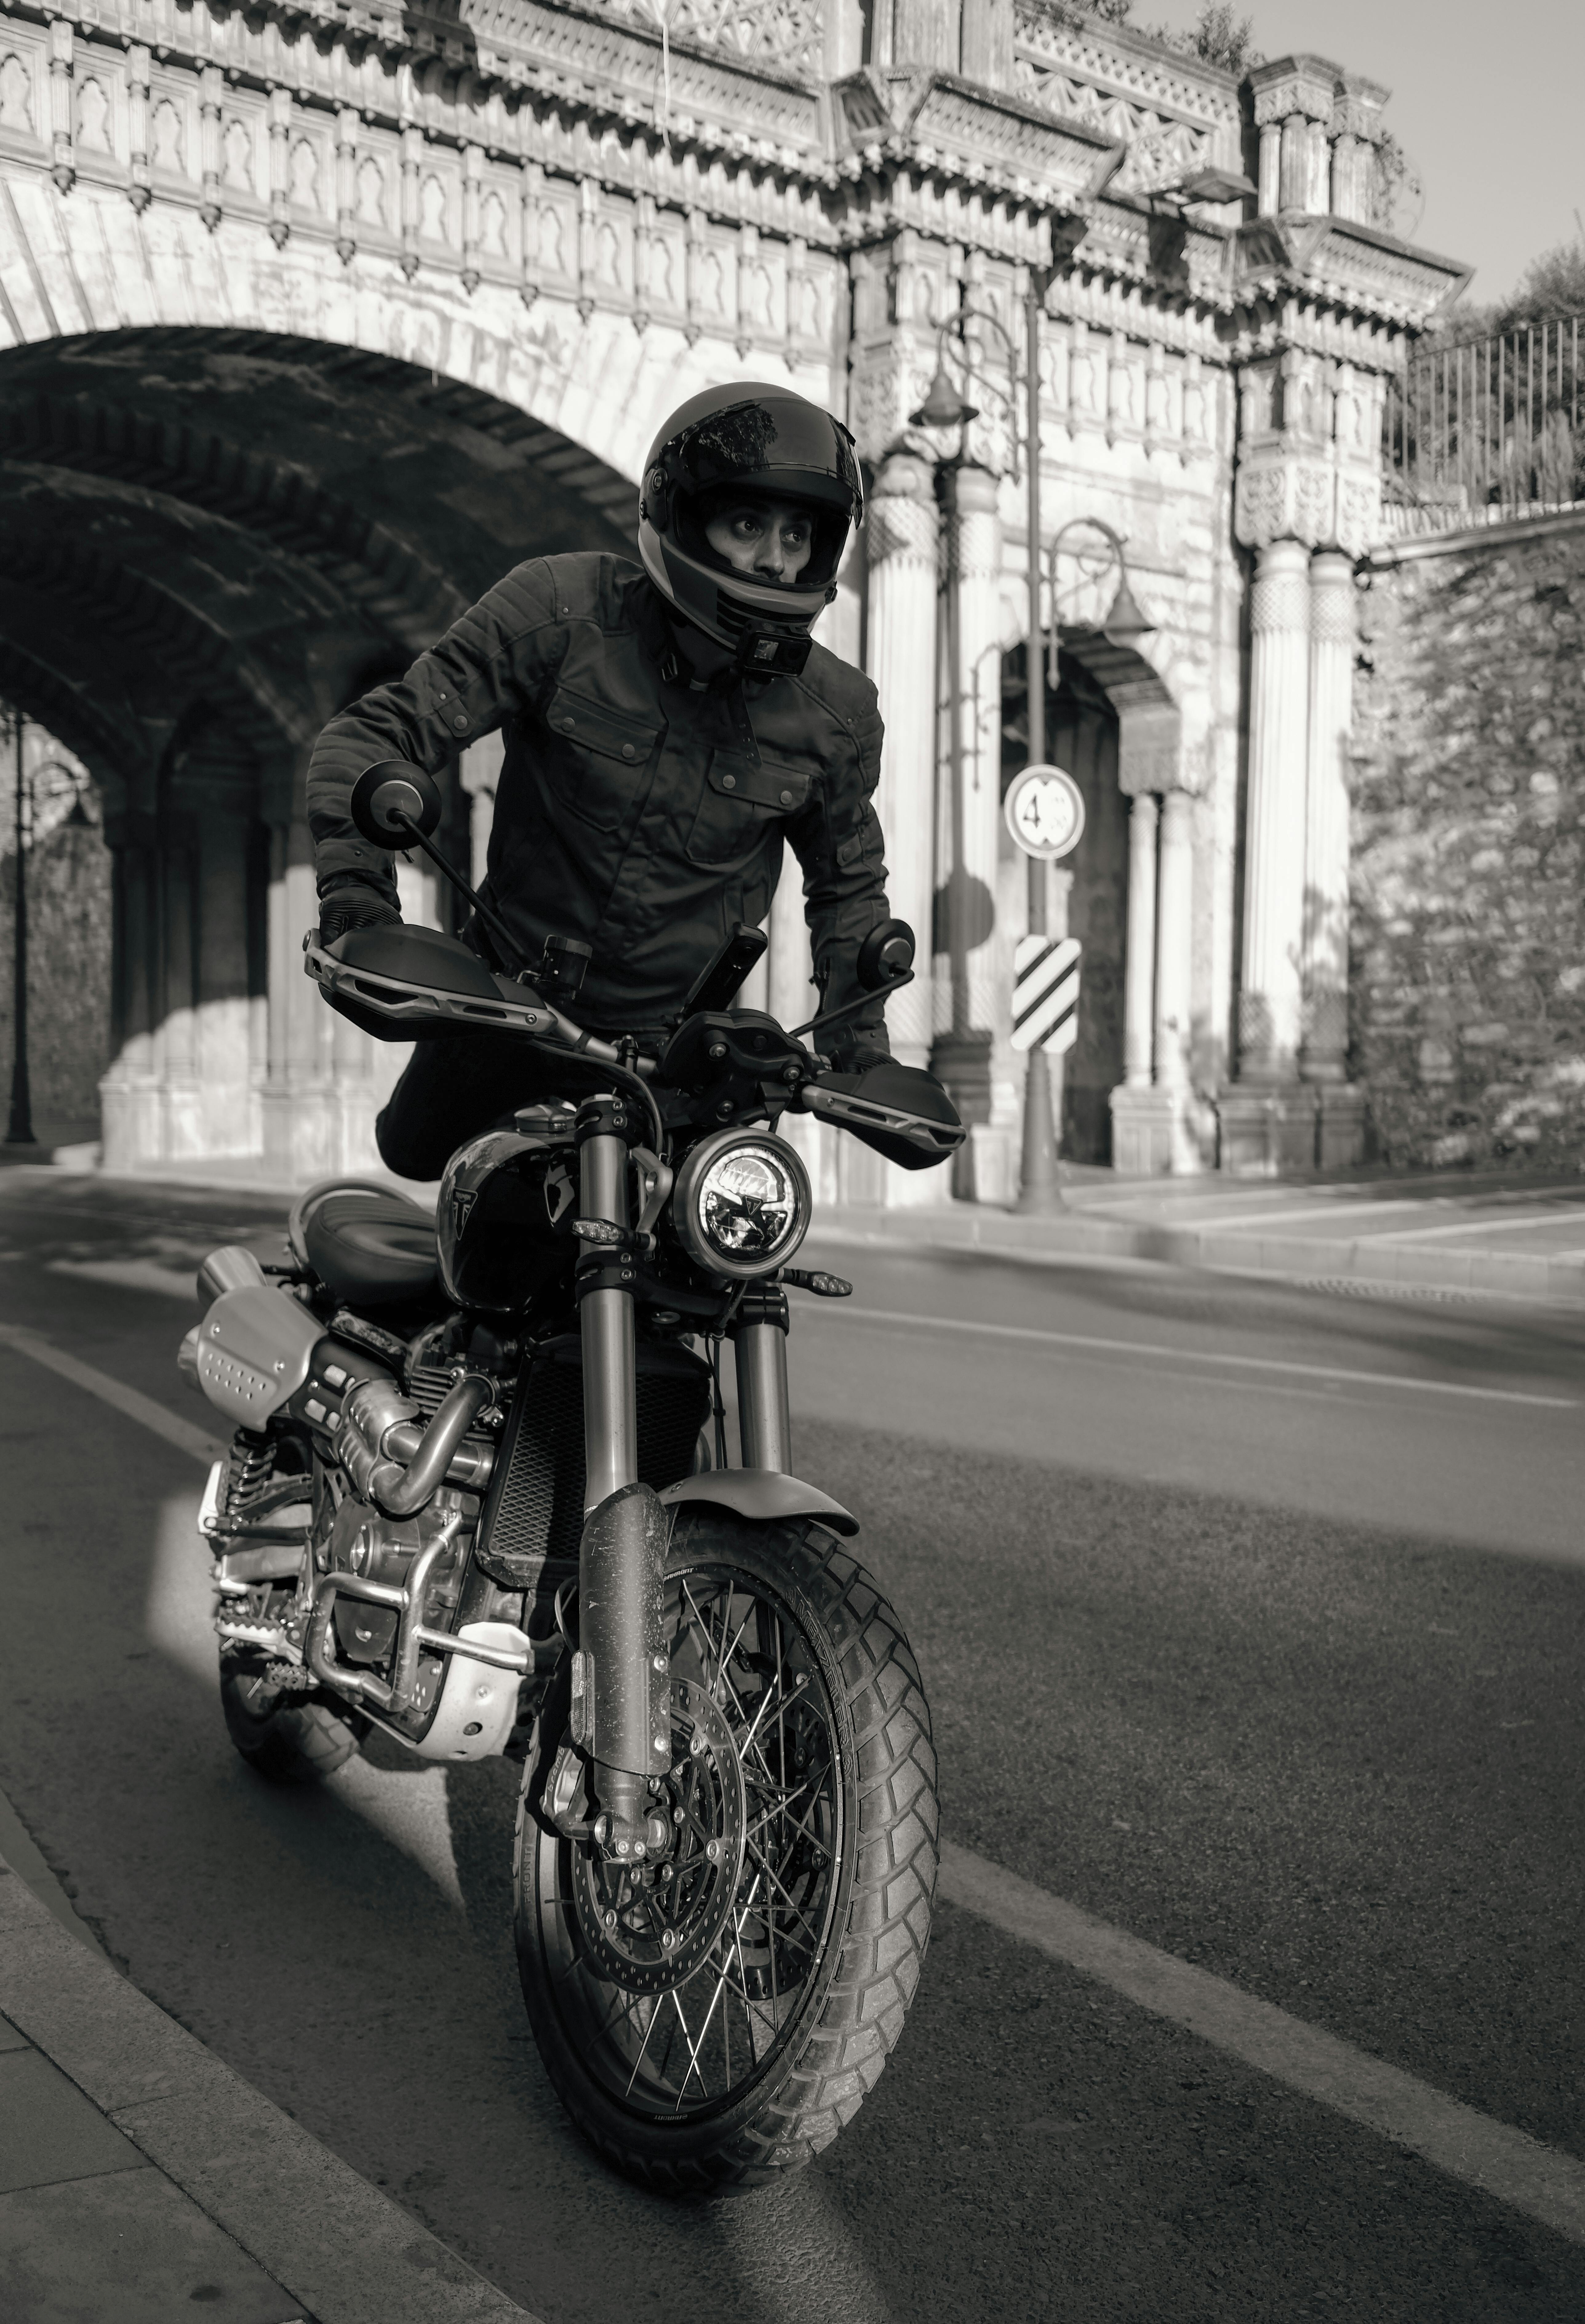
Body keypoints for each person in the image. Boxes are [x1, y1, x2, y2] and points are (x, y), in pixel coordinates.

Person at [306, 382, 909, 1182]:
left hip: (683, 1063)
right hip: (507, 1013)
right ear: (684, 518)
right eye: (747, 525)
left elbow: (849, 891)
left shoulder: (835, 715)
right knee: (430, 1180)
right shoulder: (559, 613)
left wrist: (858, 1054)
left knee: (725, 1268)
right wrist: (361, 908)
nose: (774, 558)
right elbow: (375, 734)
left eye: (799, 535)